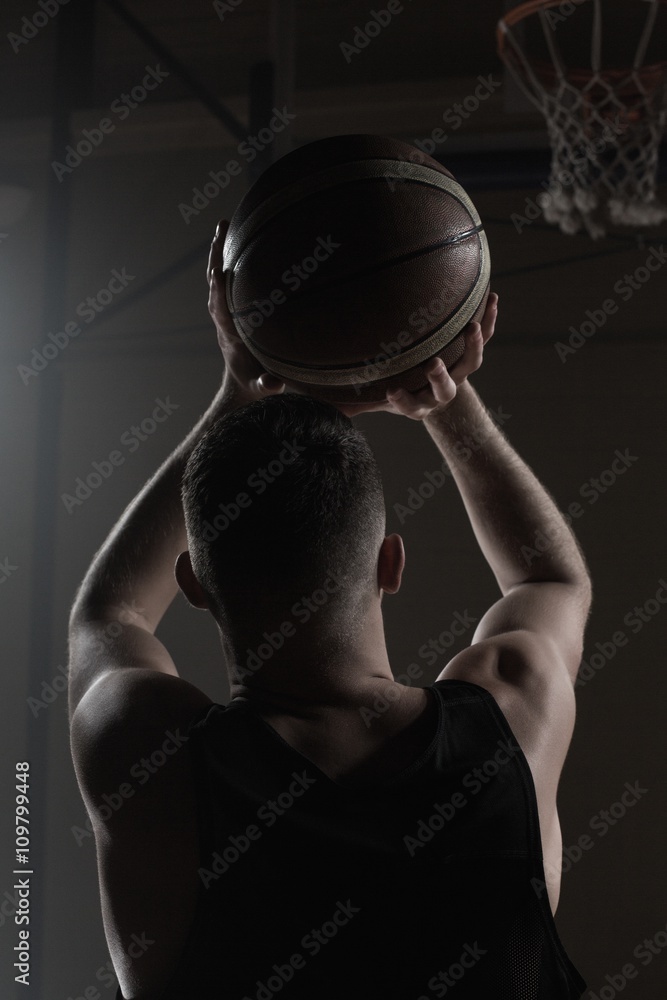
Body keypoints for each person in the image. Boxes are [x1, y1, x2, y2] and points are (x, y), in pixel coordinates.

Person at [68, 219, 592, 1000]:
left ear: (194, 584)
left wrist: (237, 392)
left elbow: (107, 616)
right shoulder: (513, 713)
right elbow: (551, 581)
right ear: (390, 564)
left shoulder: (146, 752)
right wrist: (443, 395)